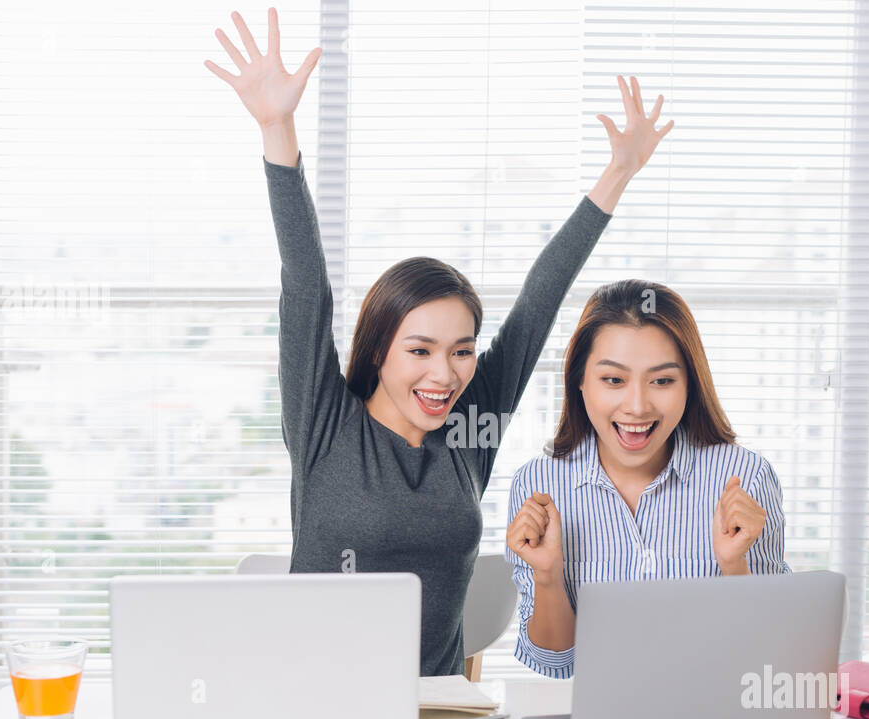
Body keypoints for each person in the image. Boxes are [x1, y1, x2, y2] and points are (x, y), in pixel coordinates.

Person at [205, 8, 673, 675]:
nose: (445, 373)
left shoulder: (469, 435)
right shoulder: (323, 424)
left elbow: (539, 303)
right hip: (315, 709)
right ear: (376, 353)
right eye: (419, 350)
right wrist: (277, 129)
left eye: (461, 350)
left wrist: (617, 174)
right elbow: (306, 282)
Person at [504, 279, 792, 679]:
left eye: (662, 381)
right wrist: (549, 575)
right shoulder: (539, 484)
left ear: (690, 384)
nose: (637, 406)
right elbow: (556, 665)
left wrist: (733, 566)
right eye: (613, 380)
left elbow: (766, 661)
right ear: (579, 381)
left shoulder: (745, 480)